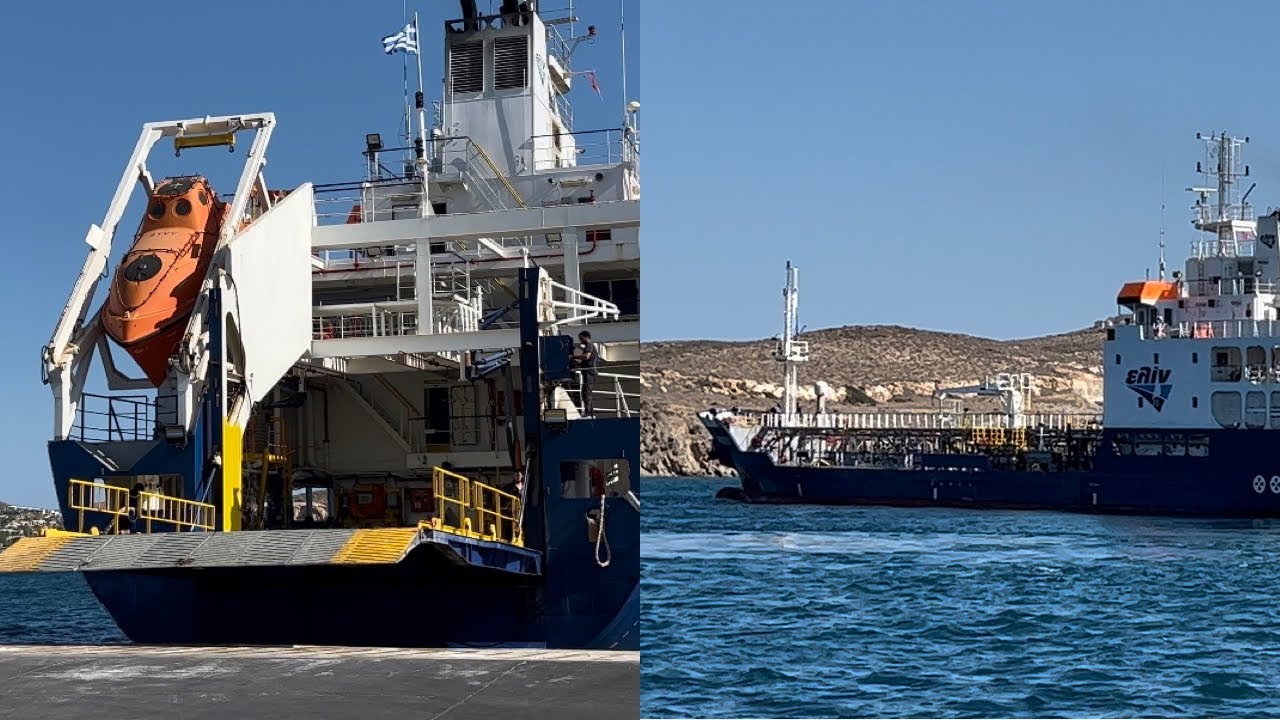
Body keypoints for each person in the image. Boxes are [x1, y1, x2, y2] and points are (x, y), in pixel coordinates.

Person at [572, 330, 599, 417]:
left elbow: (587, 356)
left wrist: (573, 357)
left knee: (586, 393)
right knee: (585, 393)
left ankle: (588, 413)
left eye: (581, 338)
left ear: (585, 337)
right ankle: (589, 412)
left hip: (589, 373)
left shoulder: (589, 345)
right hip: (588, 372)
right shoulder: (590, 346)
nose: (580, 340)